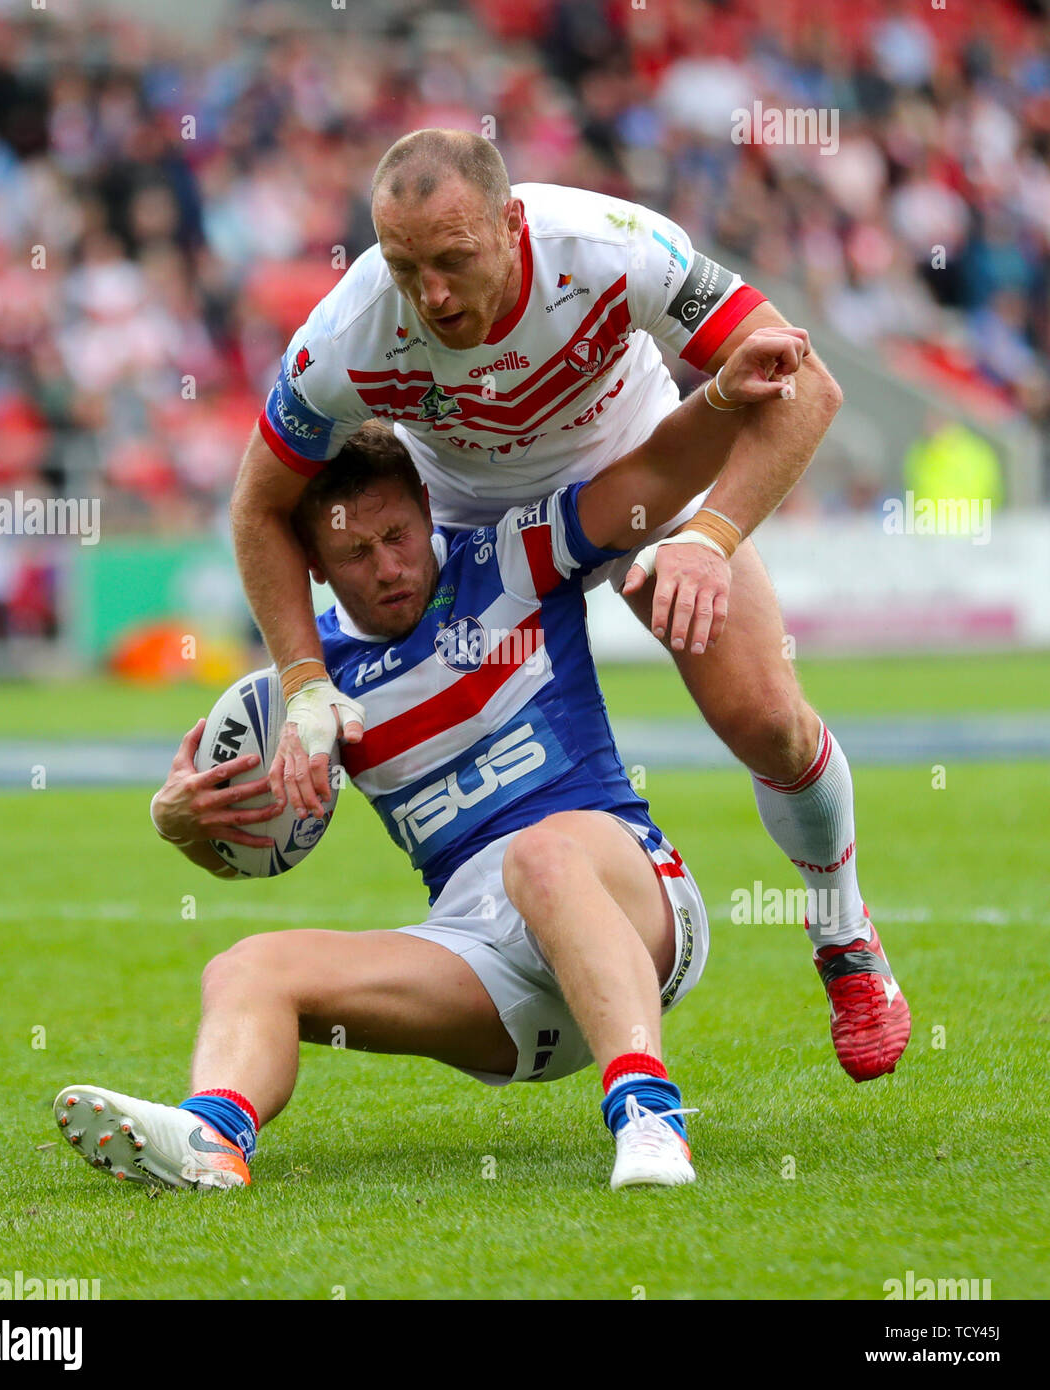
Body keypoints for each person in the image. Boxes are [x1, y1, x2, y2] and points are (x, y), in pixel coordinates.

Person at [53, 326, 825, 1193]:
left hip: (633, 908)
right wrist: (178, 823)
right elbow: (240, 847)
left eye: (397, 534)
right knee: (244, 967)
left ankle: (649, 1119)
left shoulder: (514, 558)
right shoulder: (311, 690)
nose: (388, 567)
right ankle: (211, 1140)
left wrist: (718, 397)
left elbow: (649, 477)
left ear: (426, 507)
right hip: (492, 971)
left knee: (541, 855)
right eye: (355, 552)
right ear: (312, 565)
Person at [231, 128, 910, 1084]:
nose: (431, 295)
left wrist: (708, 537)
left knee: (764, 718)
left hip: (635, 480)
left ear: (511, 225)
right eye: (404, 267)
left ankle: (841, 930)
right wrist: (304, 684)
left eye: (453, 260)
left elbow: (804, 386)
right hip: (466, 530)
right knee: (426, 748)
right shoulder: (344, 337)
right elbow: (257, 505)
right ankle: (507, 944)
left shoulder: (611, 247)